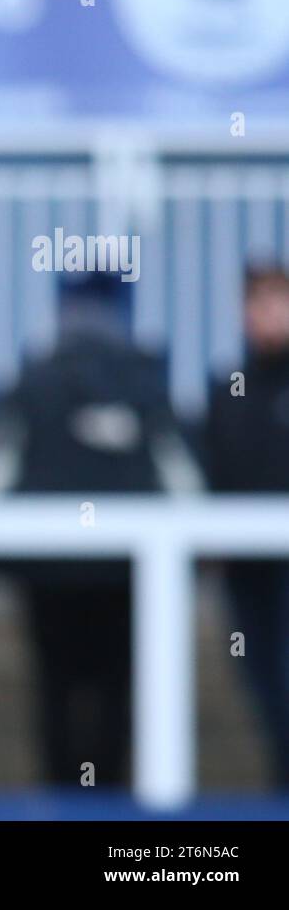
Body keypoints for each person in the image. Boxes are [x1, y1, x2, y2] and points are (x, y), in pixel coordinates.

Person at [0, 269, 202, 788]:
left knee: (56, 688)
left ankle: (65, 795)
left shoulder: (33, 380)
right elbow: (186, 483)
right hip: (128, 576)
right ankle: (109, 796)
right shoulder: (147, 382)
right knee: (118, 690)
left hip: (50, 576)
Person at [204, 261, 289, 789]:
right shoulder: (228, 387)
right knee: (263, 682)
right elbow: (214, 466)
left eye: (277, 300)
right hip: (246, 569)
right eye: (256, 302)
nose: (267, 314)